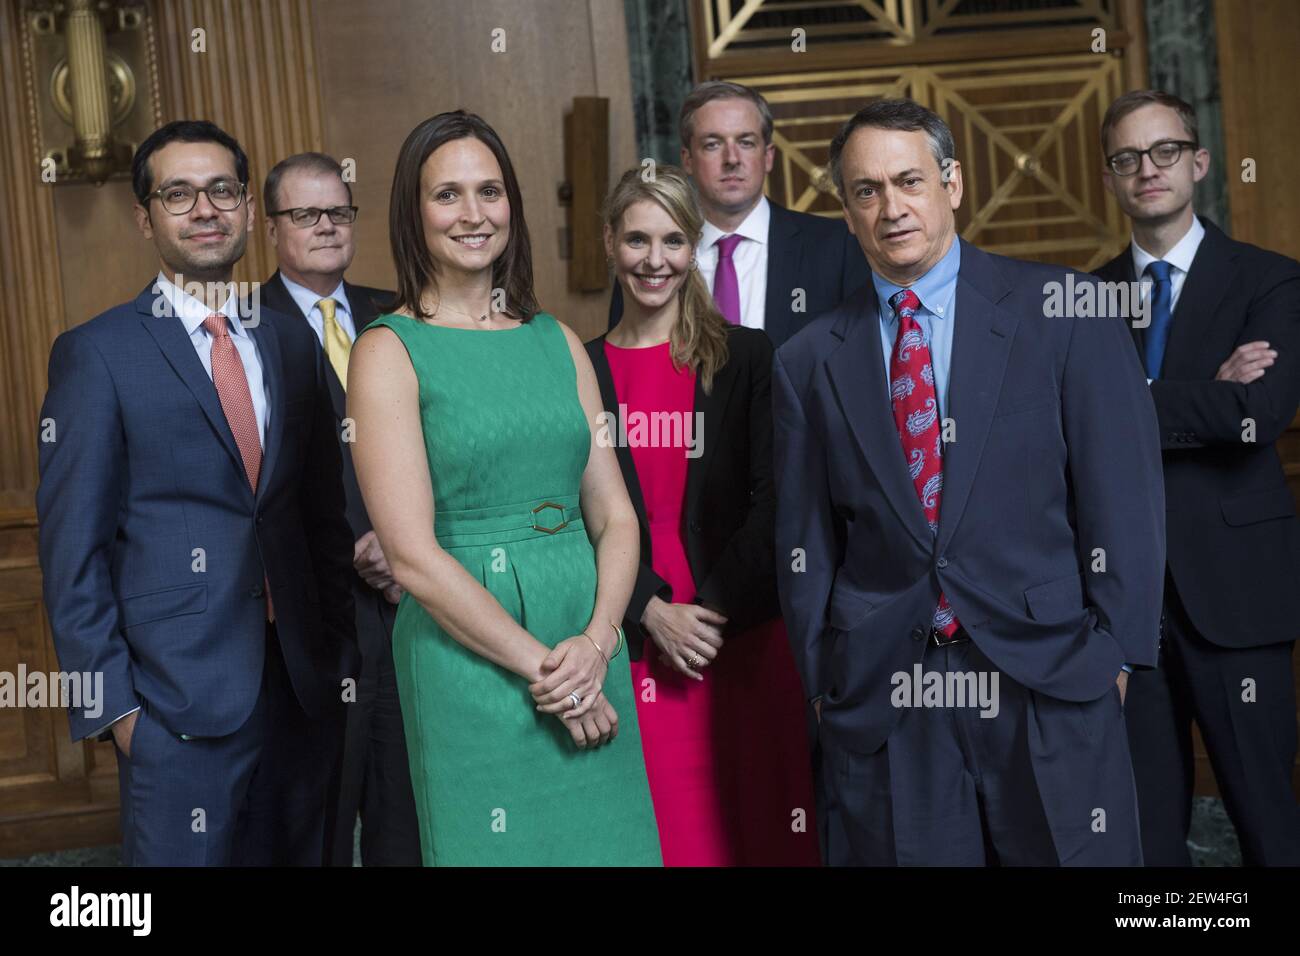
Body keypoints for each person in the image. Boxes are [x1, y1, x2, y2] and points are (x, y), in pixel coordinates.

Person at [773, 99, 1165, 865]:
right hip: (889, 696)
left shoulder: (1066, 312)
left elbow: (1125, 500)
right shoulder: (809, 358)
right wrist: (825, 683)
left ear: (952, 182)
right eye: (866, 191)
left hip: (1048, 678)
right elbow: (806, 541)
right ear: (846, 211)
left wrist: (1115, 657)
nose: (891, 208)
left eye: (909, 181)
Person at [37, 120, 358, 866]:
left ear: (249, 208)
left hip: (303, 692)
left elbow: (321, 520)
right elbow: (72, 555)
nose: (205, 208)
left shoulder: (288, 342)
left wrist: (338, 657)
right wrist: (116, 709)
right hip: (172, 705)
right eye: (178, 194)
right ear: (146, 219)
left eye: (222, 190)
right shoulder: (97, 355)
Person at [348, 111, 662, 866]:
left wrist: (596, 644)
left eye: (489, 191)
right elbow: (412, 556)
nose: (472, 213)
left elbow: (616, 517)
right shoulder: (388, 351)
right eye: (447, 194)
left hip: (587, 639)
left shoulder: (555, 340)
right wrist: (548, 671)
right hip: (473, 658)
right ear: (412, 213)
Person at [586, 166, 820, 866]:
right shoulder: (583, 366)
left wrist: (706, 614)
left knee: (764, 834)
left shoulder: (746, 355)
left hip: (740, 636)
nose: (654, 260)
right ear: (610, 243)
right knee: (674, 840)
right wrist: (651, 610)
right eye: (636, 239)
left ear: (695, 250)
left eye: (673, 241)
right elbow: (580, 516)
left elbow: (778, 500)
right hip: (635, 641)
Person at [1094, 89, 1300, 866]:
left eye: (1165, 152)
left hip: (1236, 599)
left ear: (1199, 163)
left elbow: (1258, 411)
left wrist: (1133, 400)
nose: (1147, 170)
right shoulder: (1084, 300)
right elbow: (1071, 434)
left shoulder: (1270, 280)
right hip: (1124, 609)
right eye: (1127, 159)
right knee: (1145, 842)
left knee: (1269, 825)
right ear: (1111, 179)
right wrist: (1203, 395)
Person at [260, 152, 420, 866]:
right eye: (305, 214)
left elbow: (446, 443)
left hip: (417, 600)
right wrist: (358, 542)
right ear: (271, 229)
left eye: (339, 212)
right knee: (316, 822)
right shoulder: (242, 327)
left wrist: (410, 540)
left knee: (406, 810)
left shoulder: (402, 314)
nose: (326, 226)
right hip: (308, 621)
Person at [609, 81, 868, 348]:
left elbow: (858, 357)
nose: (732, 159)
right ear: (687, 159)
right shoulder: (647, 261)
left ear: (768, 157)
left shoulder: (838, 246)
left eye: (745, 142)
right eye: (712, 144)